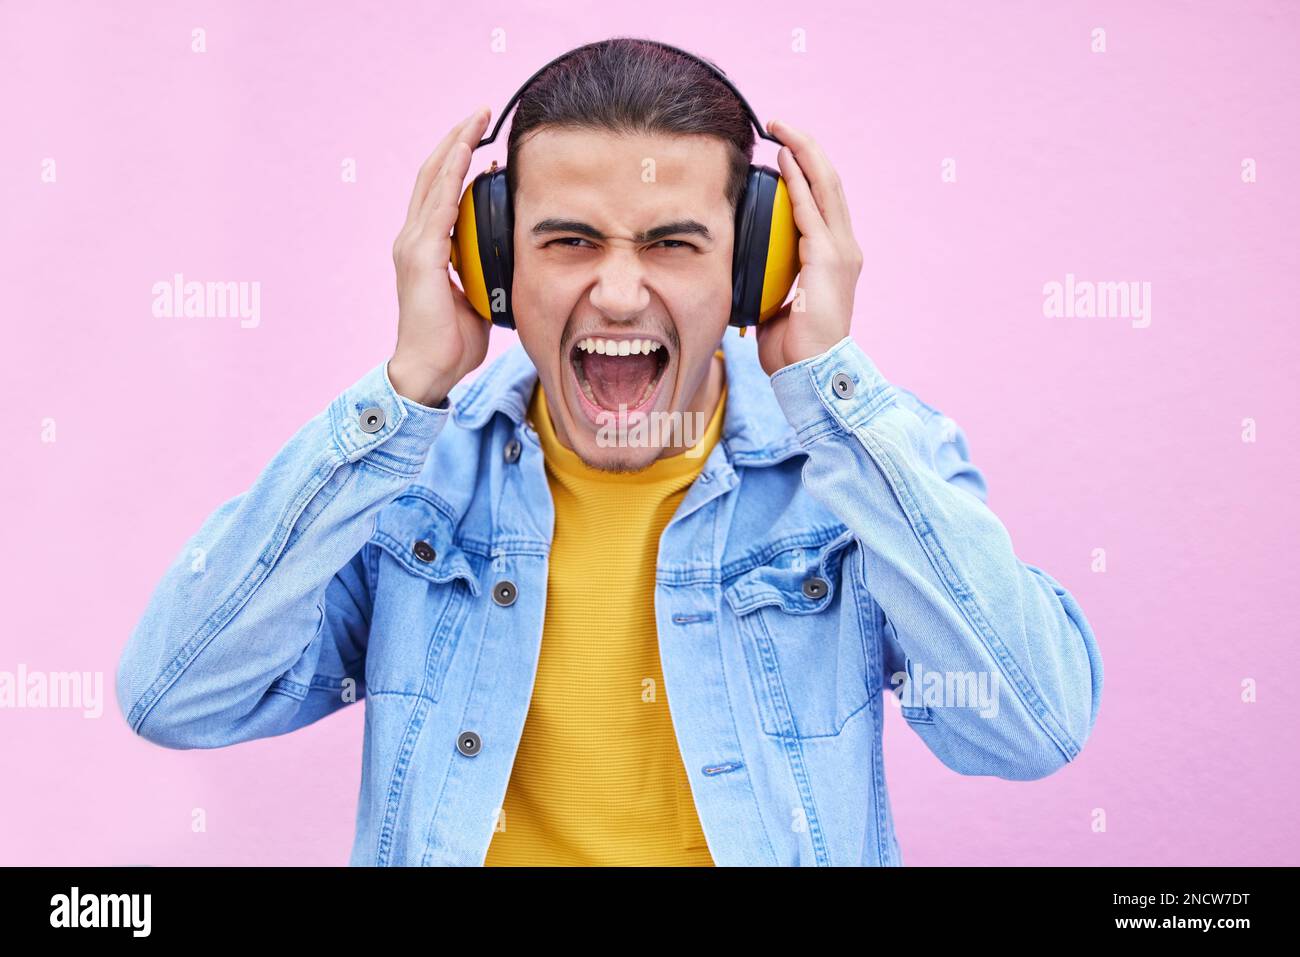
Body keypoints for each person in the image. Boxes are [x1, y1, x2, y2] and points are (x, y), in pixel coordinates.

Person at [116, 37, 1102, 866]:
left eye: (672, 244)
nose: (621, 295)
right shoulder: (414, 485)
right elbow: (175, 695)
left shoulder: (859, 477)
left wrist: (834, 398)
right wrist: (406, 387)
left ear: (754, 269)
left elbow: (1033, 726)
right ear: (492, 267)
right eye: (569, 242)